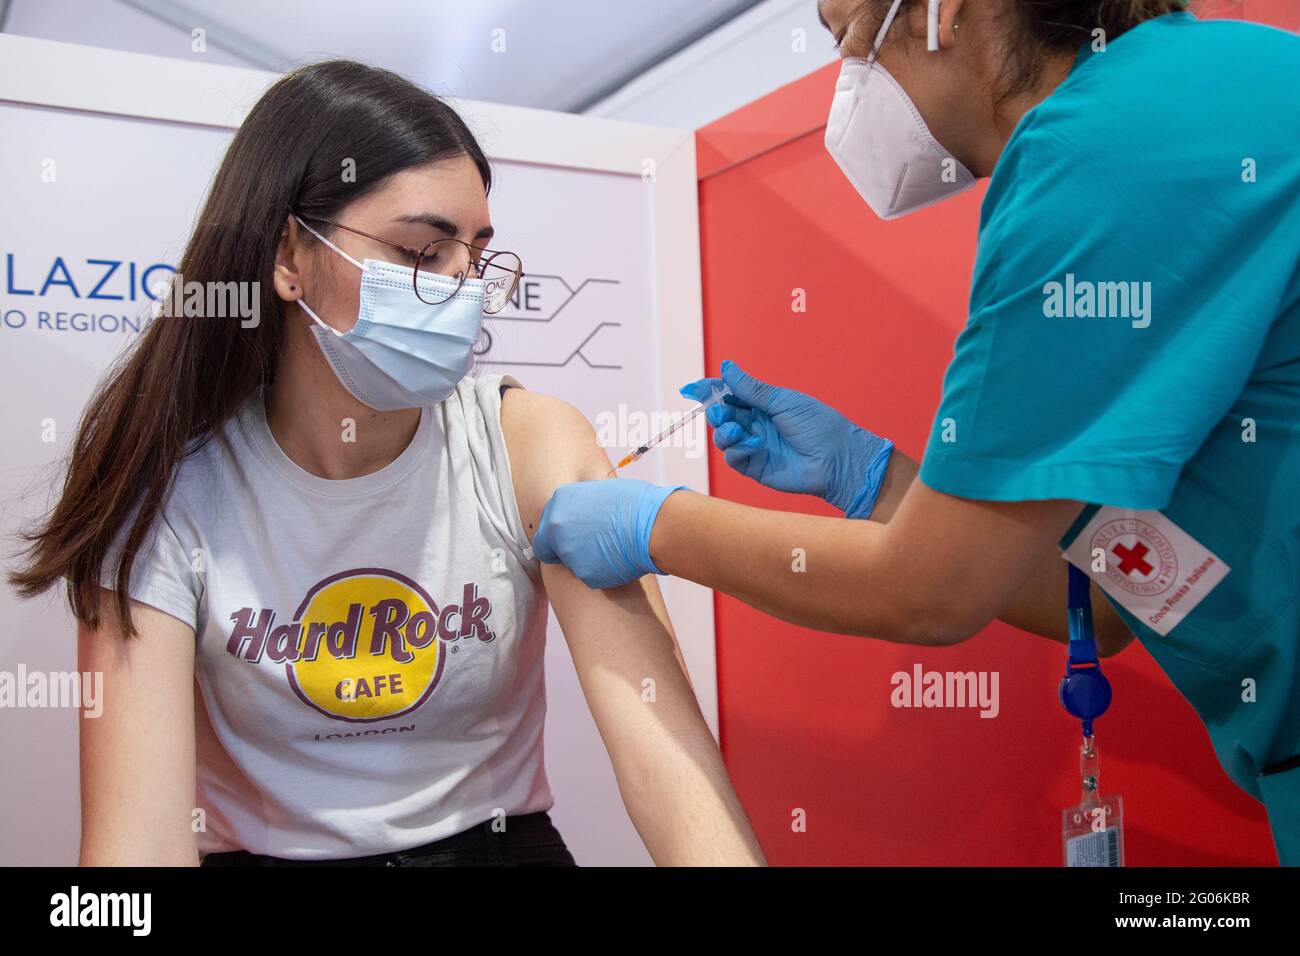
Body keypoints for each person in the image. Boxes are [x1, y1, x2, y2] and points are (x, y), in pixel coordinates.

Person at [531, 0, 1300, 863]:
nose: (846, 78)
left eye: (846, 35)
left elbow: (930, 594)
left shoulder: (1094, 154)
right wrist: (870, 478)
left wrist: (653, 526)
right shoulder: (1221, 79)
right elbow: (1108, 600)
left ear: (946, 10)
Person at [9, 60, 764, 867]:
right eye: (420, 250)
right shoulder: (171, 484)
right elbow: (138, 852)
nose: (460, 289)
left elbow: (667, 764)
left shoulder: (524, 442)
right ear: (290, 254)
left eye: (473, 256)